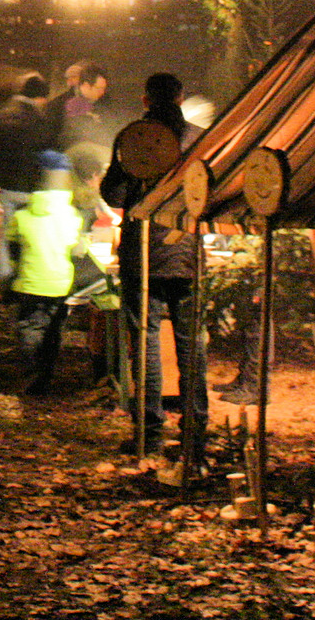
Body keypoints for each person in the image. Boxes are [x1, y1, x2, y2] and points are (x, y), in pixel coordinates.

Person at [101, 73, 211, 451]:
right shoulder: (200, 139)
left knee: (144, 340)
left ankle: (149, 431)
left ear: (146, 100)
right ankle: (195, 429)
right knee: (191, 341)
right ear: (180, 98)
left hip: (143, 250)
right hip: (186, 249)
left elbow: (113, 193)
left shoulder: (133, 136)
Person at [7, 164, 85, 394]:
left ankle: (31, 375)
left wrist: (17, 267)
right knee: (53, 330)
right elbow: (77, 249)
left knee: (30, 328)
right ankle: (46, 377)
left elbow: (13, 247)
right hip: (60, 284)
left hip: (30, 282)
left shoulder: (21, 216)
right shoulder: (72, 216)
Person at [0, 74, 55, 280]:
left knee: (7, 230)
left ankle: (6, 273)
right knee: (31, 234)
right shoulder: (40, 120)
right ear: (40, 98)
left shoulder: (0, 115)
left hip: (7, 183)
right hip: (34, 186)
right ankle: (27, 274)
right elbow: (48, 150)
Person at [61, 63, 113, 151]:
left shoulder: (103, 104)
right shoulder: (64, 103)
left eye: (104, 89)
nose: (102, 92)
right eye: (99, 88)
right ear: (86, 85)